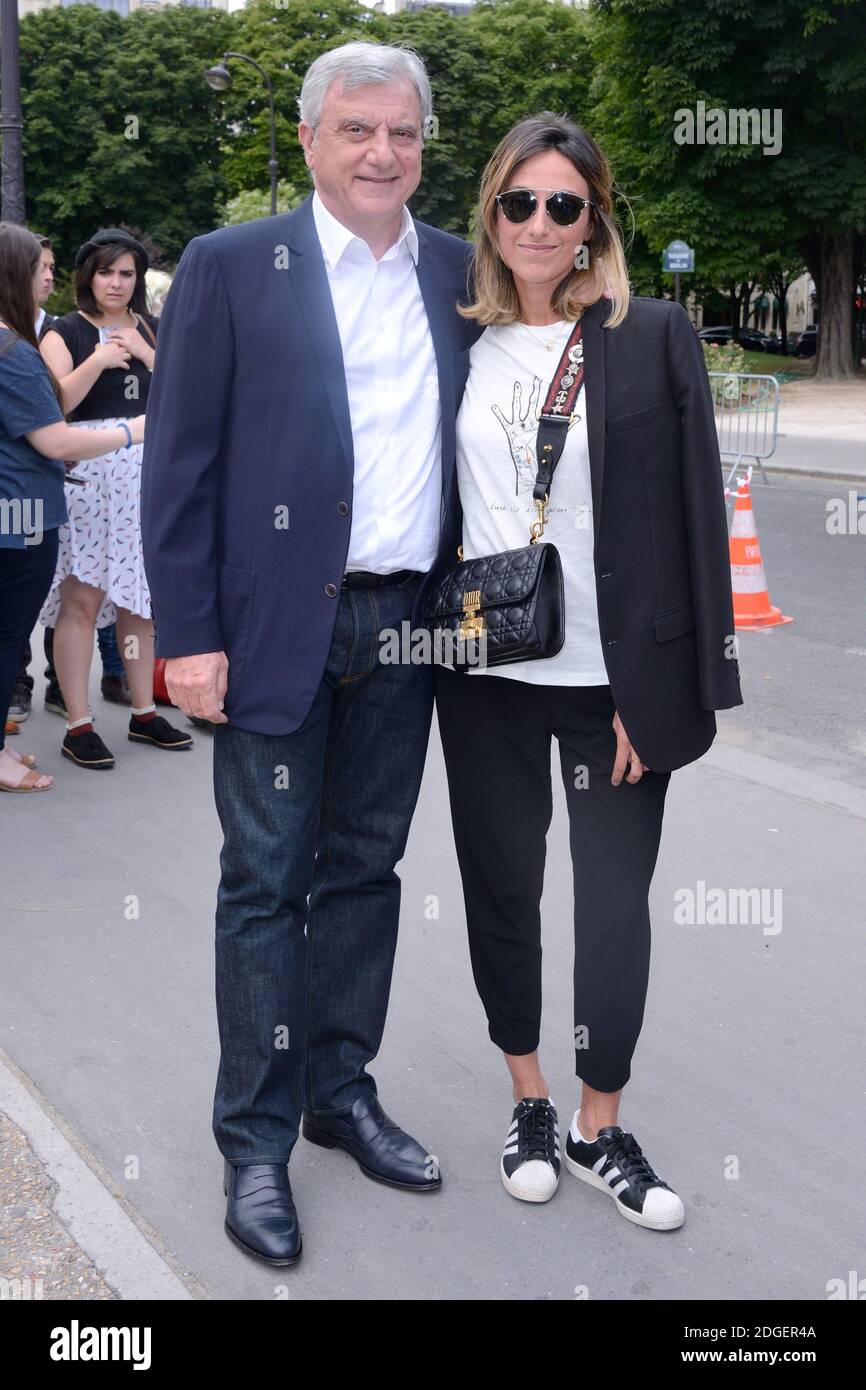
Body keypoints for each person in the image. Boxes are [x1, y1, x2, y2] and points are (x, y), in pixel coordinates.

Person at [140, 41, 475, 1266]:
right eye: (356, 130)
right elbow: (177, 470)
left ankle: (339, 1093)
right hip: (274, 625)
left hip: (410, 625)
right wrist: (188, 638)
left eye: (401, 132)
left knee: (367, 869)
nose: (381, 152)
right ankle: (254, 1139)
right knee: (265, 883)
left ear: (421, 144)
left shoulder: (456, 269)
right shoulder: (234, 268)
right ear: (310, 141)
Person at [432, 113, 743, 1227]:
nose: (539, 223)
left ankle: (595, 1122)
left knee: (611, 910)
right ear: (491, 213)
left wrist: (665, 692)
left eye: (564, 204)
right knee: (500, 895)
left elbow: (692, 523)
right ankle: (525, 1097)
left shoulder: (648, 333)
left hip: (609, 690)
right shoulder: (455, 339)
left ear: (592, 221)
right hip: (480, 677)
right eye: (520, 201)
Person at [39, 228, 191, 770]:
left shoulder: (149, 327)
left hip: (145, 476)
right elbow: (53, 405)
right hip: (87, 475)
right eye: (107, 272)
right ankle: (78, 724)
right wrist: (98, 362)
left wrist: (149, 353)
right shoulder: (63, 331)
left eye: (127, 273)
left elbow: (185, 396)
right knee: (82, 598)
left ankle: (144, 712)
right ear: (88, 276)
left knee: (138, 602)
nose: (117, 283)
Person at [0, 222, 144, 792]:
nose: (49, 277)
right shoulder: (17, 349)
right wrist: (132, 433)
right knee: (9, 636)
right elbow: (55, 437)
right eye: (42, 268)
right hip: (21, 517)